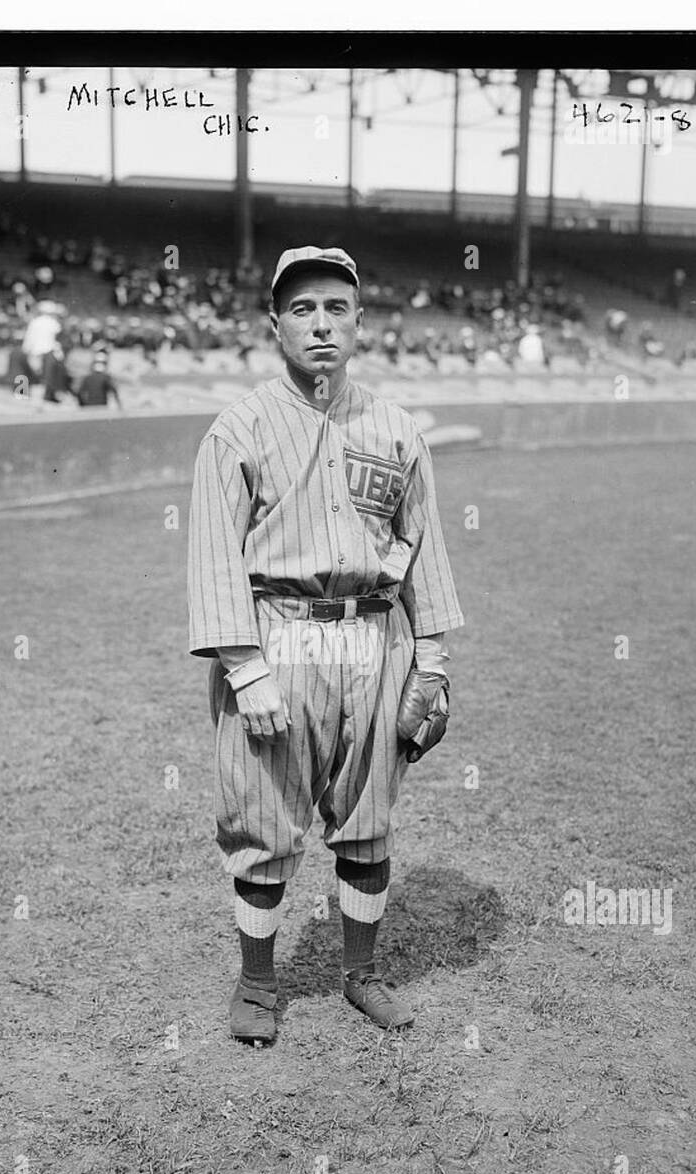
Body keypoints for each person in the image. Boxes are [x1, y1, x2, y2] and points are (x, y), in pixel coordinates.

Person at [187, 246, 464, 1044]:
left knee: (368, 818)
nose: (320, 324)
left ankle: (361, 974)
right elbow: (213, 557)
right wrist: (245, 671)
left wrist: (434, 663)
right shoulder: (238, 427)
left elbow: (425, 549)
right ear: (274, 324)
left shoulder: (395, 427)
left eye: (335, 309)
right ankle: (256, 985)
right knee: (262, 821)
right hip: (276, 638)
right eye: (302, 309)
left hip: (373, 639)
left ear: (358, 324)